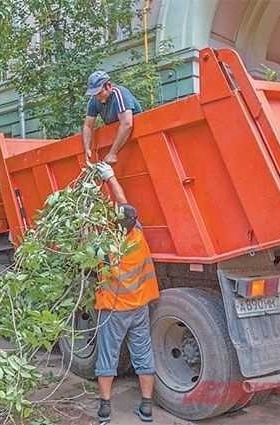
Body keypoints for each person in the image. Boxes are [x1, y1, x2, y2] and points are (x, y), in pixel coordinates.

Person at [93, 162, 160, 423]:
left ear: (114, 224)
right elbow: (124, 206)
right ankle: (146, 408)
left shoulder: (107, 246)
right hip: (139, 309)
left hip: (114, 311)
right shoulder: (138, 237)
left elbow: (87, 236)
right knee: (143, 355)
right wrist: (111, 178)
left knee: (107, 358)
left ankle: (105, 409)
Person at [83, 70, 143, 165]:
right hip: (121, 143)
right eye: (94, 94)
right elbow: (88, 126)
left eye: (99, 92)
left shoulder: (119, 93)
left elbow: (127, 124)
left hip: (138, 138)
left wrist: (112, 153)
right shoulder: (94, 100)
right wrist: (87, 149)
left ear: (109, 86)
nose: (97, 97)